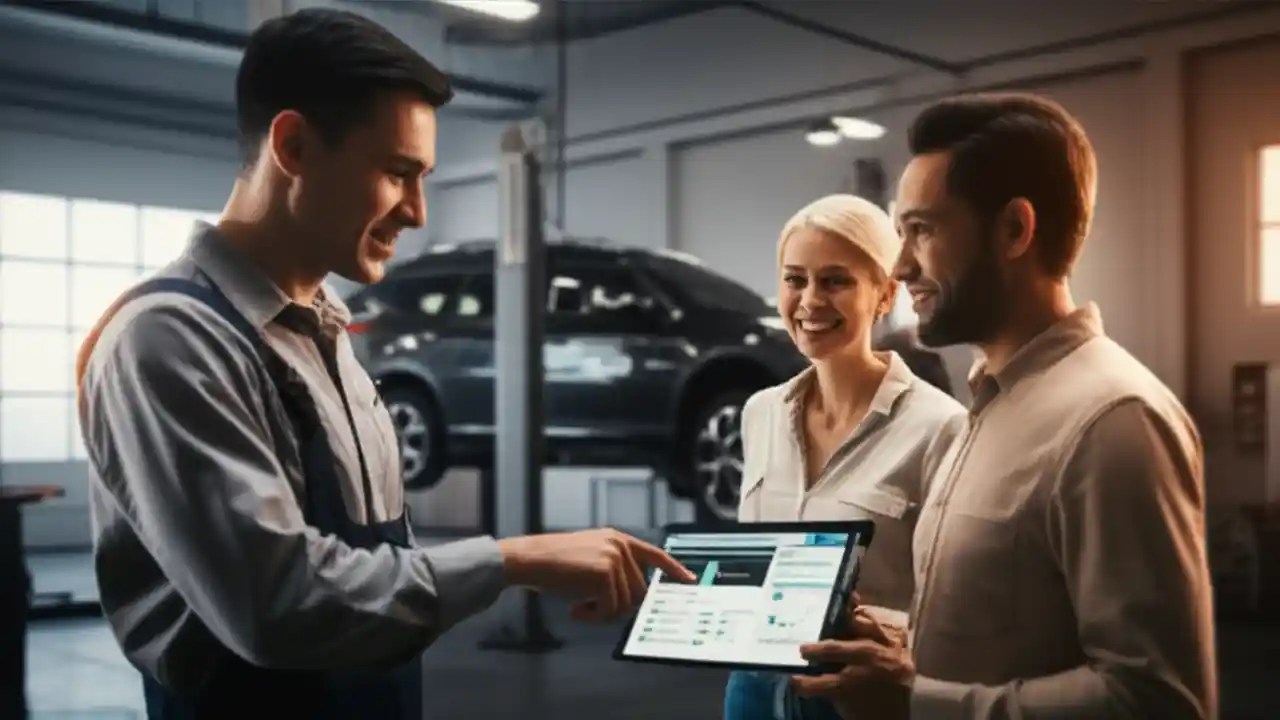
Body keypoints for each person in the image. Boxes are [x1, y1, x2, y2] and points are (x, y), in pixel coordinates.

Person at [74, 8, 694, 720]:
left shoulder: (331, 333)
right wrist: (510, 560)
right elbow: (280, 603)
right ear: (296, 146)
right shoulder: (170, 340)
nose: (419, 212)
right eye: (399, 173)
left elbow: (369, 561)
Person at [790, 93, 1218, 719]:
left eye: (922, 231)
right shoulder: (985, 407)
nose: (901, 264)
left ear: (1016, 230)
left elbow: (1160, 700)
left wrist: (919, 701)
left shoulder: (1114, 421)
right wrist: (901, 655)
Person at [724, 194, 966, 720]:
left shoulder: (941, 427)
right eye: (795, 279)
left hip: (858, 697)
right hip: (750, 685)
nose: (810, 300)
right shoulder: (759, 413)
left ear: (884, 294)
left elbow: (952, 612)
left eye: (835, 281)